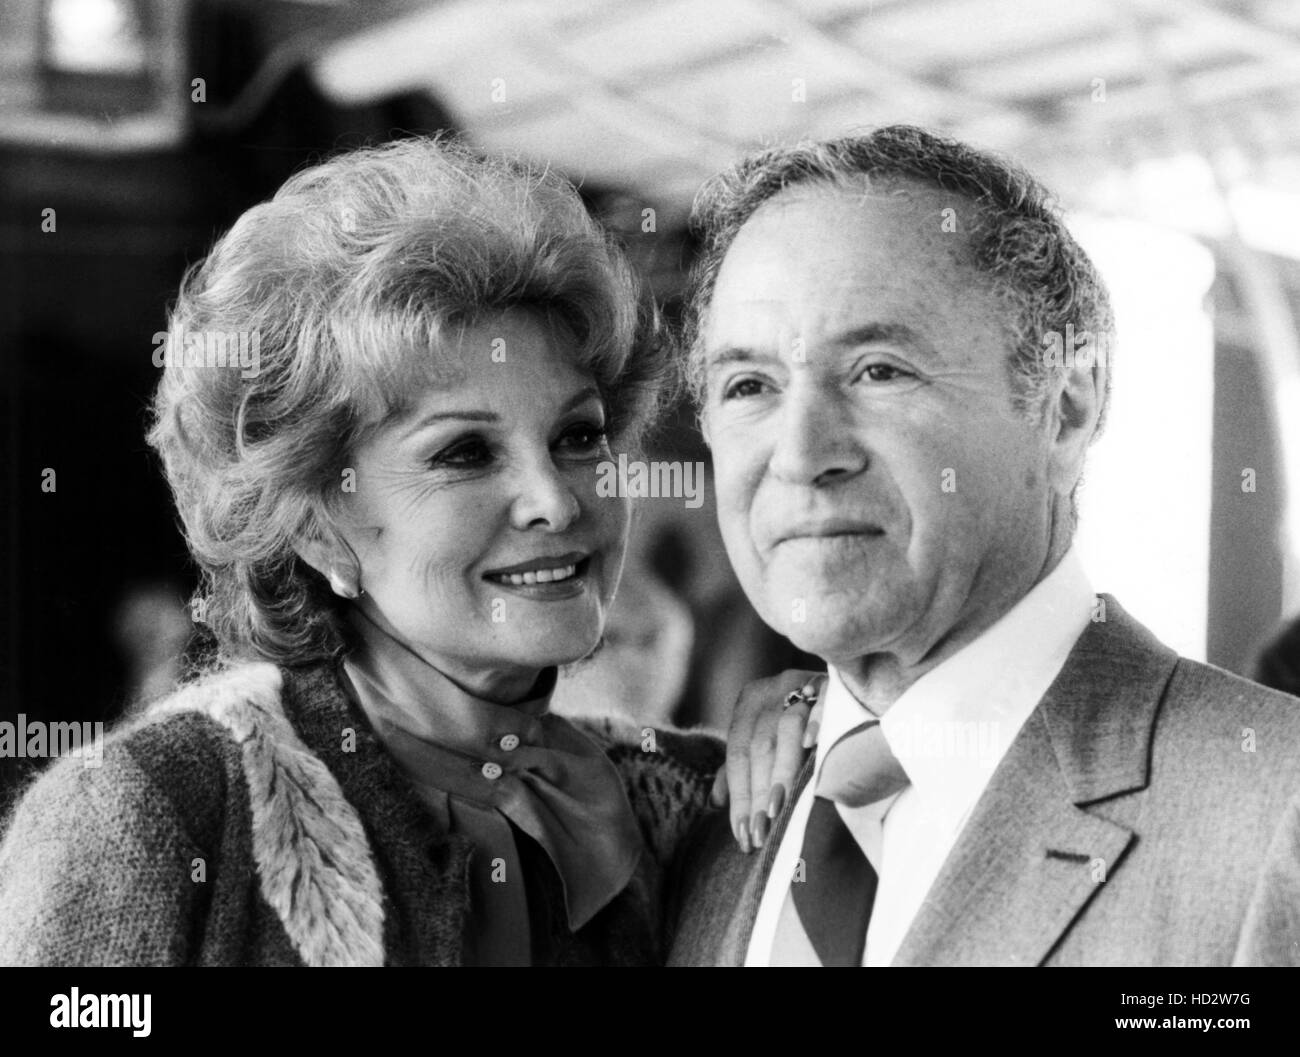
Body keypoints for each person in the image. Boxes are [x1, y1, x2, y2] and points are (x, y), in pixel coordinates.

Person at [0, 136, 813, 967]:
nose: (556, 498)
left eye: (578, 435)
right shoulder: (153, 811)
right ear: (319, 526)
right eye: (464, 452)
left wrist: (830, 714)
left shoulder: (688, 802)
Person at [668, 124, 1300, 967]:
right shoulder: (693, 829)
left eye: (879, 370)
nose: (800, 453)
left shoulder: (1272, 814)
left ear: (1065, 407)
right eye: (749, 386)